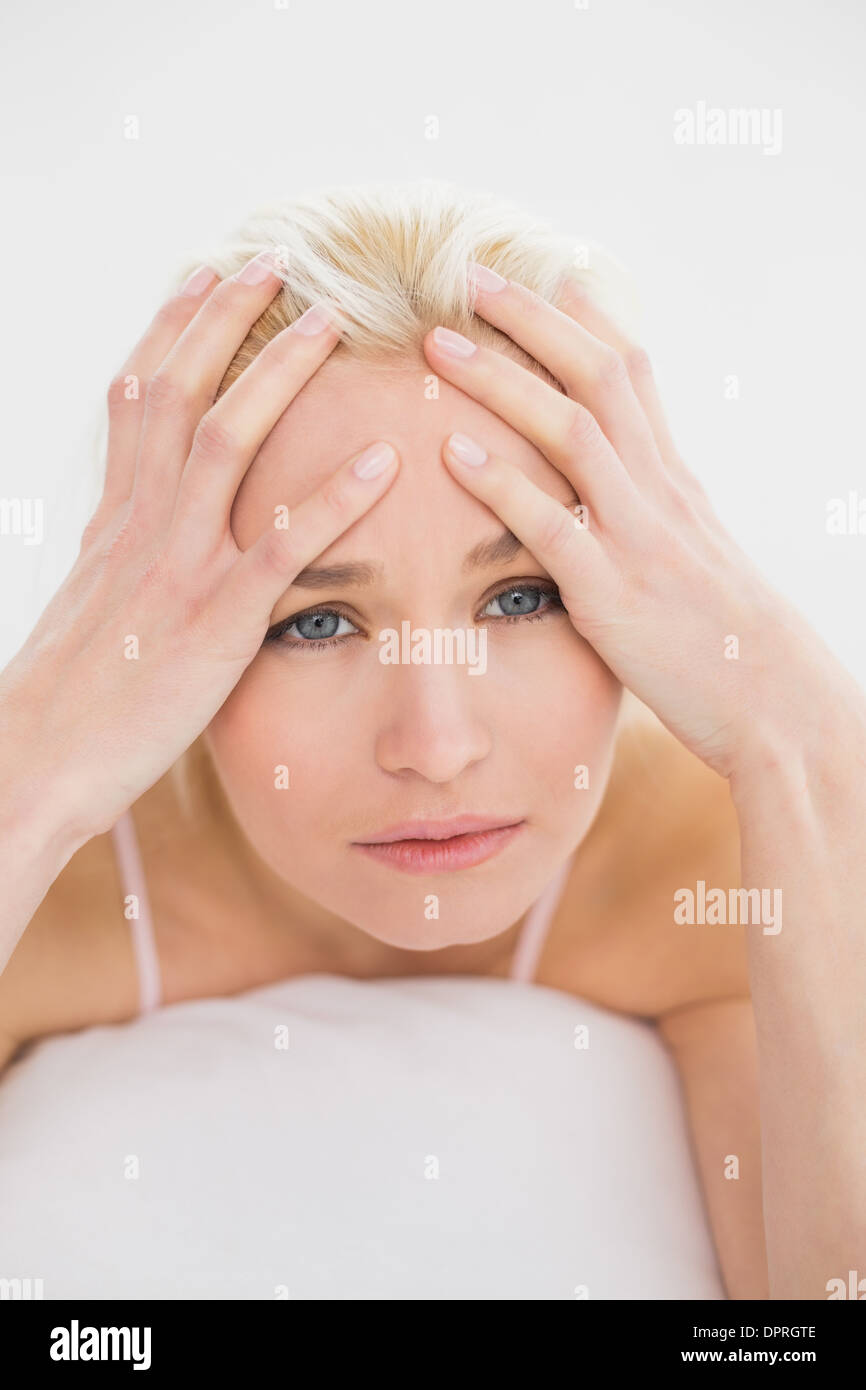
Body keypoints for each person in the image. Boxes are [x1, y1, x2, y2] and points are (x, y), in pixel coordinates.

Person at [0, 180, 863, 1301]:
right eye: (313, 621)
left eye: (519, 597)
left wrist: (803, 736)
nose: (435, 745)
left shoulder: (726, 865)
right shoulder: (59, 886)